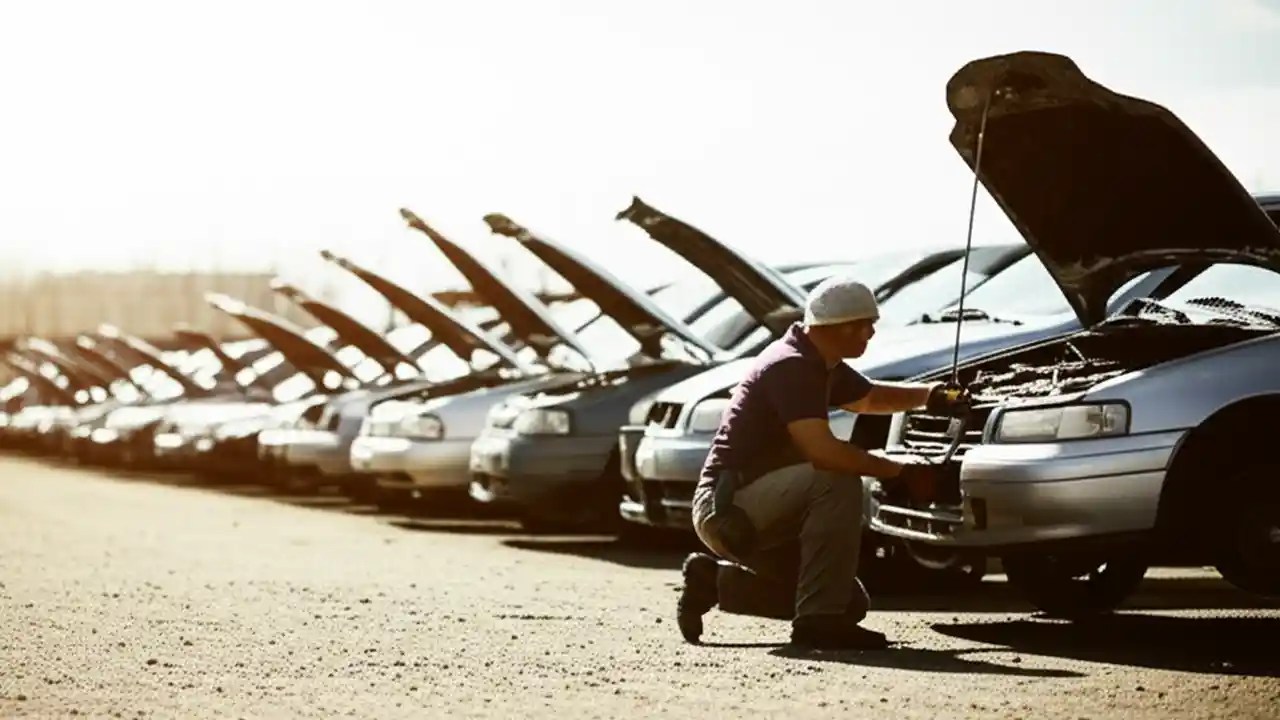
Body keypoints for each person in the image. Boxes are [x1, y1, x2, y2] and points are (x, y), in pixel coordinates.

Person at [677, 275, 969, 650]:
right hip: (730, 507)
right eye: (864, 326)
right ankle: (818, 625)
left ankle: (712, 583)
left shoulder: (819, 361)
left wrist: (932, 397)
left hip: (755, 504)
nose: (870, 334)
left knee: (849, 603)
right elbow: (824, 452)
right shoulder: (793, 365)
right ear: (838, 327)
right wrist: (900, 471)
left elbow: (868, 399)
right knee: (838, 479)